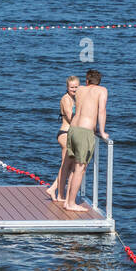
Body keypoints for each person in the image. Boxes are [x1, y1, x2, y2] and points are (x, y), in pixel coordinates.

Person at [59, 69, 109, 213]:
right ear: (99, 82)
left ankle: (68, 200)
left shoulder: (80, 89)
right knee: (80, 169)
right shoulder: (102, 90)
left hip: (72, 130)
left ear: (87, 81)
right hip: (85, 132)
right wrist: (102, 131)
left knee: (74, 167)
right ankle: (71, 203)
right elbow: (102, 111)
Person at [46, 76, 80, 202]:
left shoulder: (76, 98)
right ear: (67, 87)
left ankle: (54, 189)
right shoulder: (66, 99)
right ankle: (59, 194)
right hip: (65, 134)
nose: (74, 89)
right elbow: (71, 118)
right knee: (66, 166)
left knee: (70, 167)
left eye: (76, 87)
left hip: (71, 133)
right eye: (72, 87)